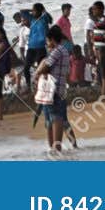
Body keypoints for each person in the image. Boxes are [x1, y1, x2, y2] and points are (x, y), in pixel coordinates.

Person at [33, 26, 74, 154]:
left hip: (53, 90)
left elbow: (46, 67)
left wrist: (37, 73)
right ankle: (55, 149)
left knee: (55, 119)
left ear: (51, 39)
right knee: (54, 118)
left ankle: (56, 148)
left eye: (47, 40)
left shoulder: (57, 51)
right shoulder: (64, 51)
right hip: (59, 88)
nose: (46, 43)